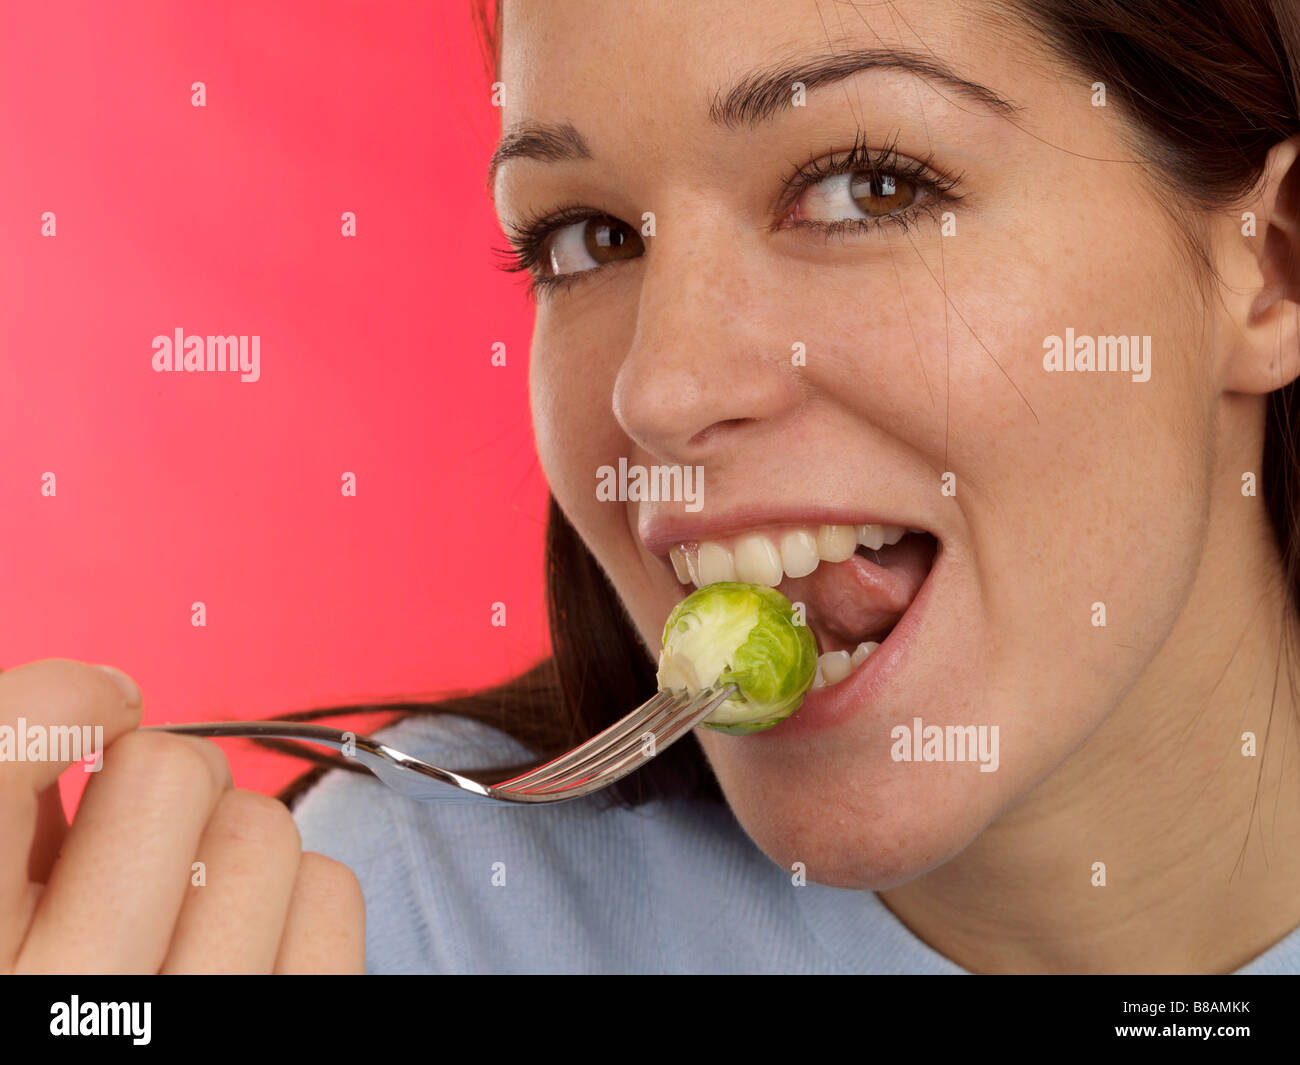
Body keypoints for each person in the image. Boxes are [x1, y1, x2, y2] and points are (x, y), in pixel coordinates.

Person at [6, 0, 1300, 974]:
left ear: (1272, 266)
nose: (659, 389)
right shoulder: (362, 921)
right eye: (589, 237)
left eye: (868, 186)